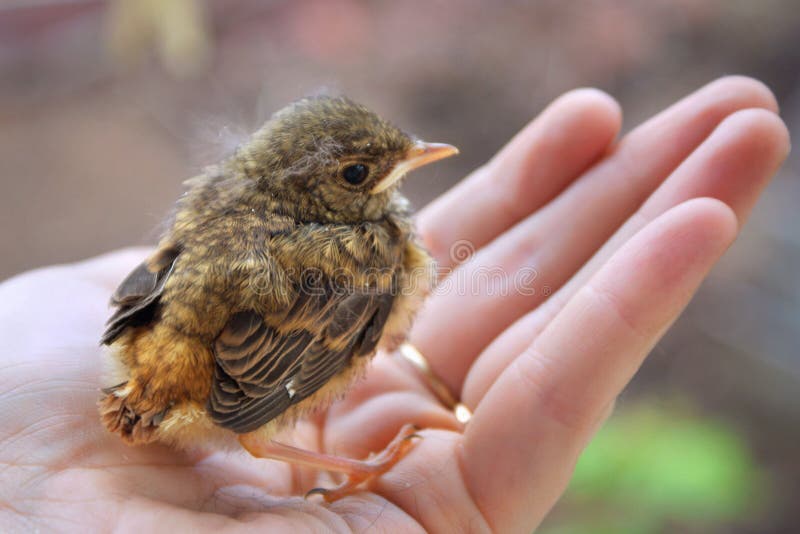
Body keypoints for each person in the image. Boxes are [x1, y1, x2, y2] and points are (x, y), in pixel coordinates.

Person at [0, 76, 789, 533]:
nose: (406, 165)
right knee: (266, 439)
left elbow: (168, 274)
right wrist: (353, 463)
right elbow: (257, 419)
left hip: (143, 332)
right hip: (222, 378)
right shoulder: (365, 251)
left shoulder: (227, 193)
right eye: (359, 174)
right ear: (320, 187)